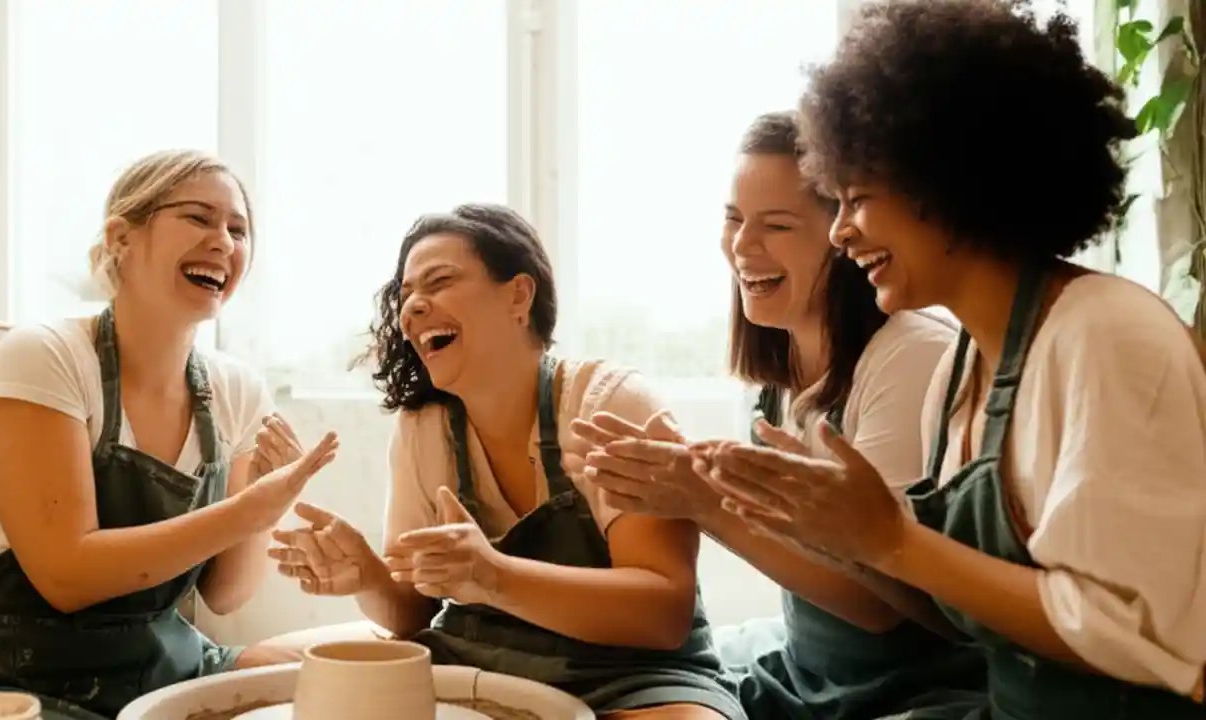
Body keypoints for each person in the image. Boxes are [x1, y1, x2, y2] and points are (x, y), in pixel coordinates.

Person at [698, 1, 1206, 717]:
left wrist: (890, 540)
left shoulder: (1104, 336)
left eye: (857, 199)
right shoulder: (960, 370)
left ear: (948, 186)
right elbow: (954, 619)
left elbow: (1134, 633)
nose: (841, 234)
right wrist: (837, 534)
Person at [568, 112, 986, 719]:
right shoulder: (778, 371)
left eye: (777, 225)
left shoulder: (912, 354)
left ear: (844, 236)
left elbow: (878, 606)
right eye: (734, 219)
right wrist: (689, 477)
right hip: (806, 670)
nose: (742, 245)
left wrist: (705, 501)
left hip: (914, 691)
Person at [269, 203, 746, 720]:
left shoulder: (607, 403)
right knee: (267, 669)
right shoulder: (424, 428)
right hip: (479, 661)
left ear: (519, 296)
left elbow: (663, 614)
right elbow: (414, 615)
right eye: (406, 295)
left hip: (633, 676)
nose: (412, 309)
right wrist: (369, 578)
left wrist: (493, 574)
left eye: (439, 281)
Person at [0, 150, 339, 719]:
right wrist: (247, 510)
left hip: (156, 663)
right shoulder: (45, 356)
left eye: (238, 229)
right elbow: (66, 576)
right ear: (122, 237)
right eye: (198, 217)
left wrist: (266, 507)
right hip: (2, 671)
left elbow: (224, 595)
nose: (224, 241)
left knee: (343, 676)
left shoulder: (237, 390)